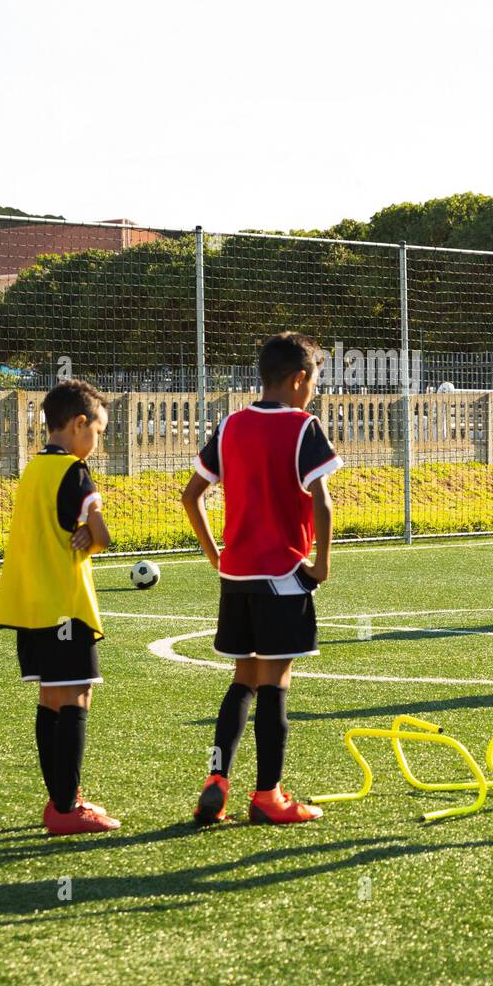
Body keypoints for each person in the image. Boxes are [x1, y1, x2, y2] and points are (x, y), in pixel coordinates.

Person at [182, 332, 341, 826]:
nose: (313, 391)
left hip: (237, 575)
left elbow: (191, 496)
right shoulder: (303, 426)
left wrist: (215, 555)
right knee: (276, 682)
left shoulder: (229, 426)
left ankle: (217, 780)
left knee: (242, 680)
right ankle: (268, 794)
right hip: (282, 576)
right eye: (314, 381)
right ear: (299, 379)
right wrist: (321, 563)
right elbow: (324, 501)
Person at [0, 379, 120, 834]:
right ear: (80, 423)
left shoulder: (32, 470)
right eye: (99, 432)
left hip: (28, 605)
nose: (98, 443)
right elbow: (101, 535)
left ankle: (60, 800)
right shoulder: (74, 471)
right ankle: (67, 809)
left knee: (50, 696)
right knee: (78, 695)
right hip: (65, 604)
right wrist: (94, 532)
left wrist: (81, 530)